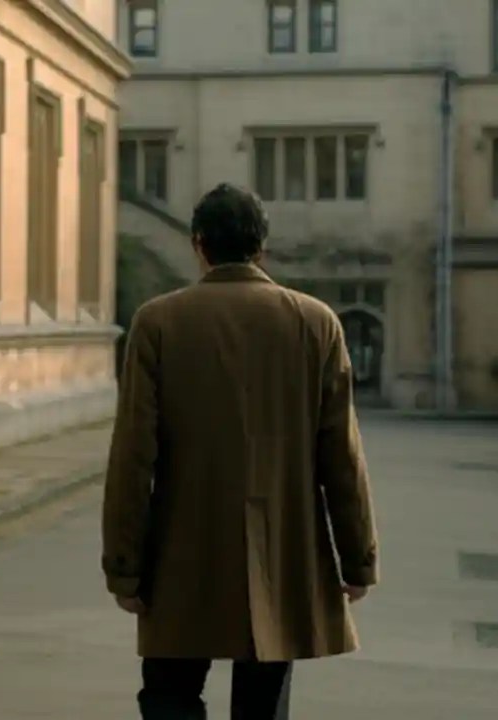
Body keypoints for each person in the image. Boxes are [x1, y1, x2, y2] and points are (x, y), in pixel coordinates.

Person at [101, 183, 379, 719]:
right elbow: (340, 456)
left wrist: (123, 566)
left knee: (168, 695)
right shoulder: (316, 323)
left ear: (198, 244)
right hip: (280, 549)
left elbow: (134, 456)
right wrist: (357, 558)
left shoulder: (158, 323)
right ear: (261, 248)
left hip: (180, 550)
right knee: (262, 706)